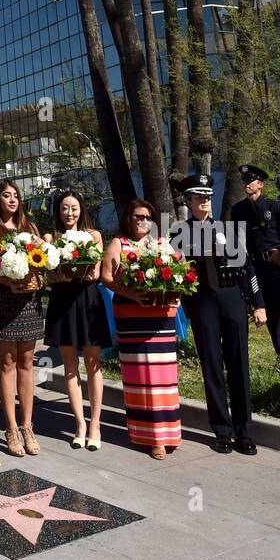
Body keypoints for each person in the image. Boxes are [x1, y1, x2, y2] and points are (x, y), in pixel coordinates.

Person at [173, 173, 267, 455]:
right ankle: (222, 432)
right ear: (189, 201)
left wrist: (259, 303)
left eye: (208, 197)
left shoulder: (228, 228)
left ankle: (244, 433)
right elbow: (176, 273)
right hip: (203, 304)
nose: (205, 202)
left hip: (232, 301)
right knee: (212, 367)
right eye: (199, 198)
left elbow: (248, 269)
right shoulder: (179, 233)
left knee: (239, 366)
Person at [102, 197, 181, 461]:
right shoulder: (118, 243)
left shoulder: (162, 244)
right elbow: (107, 278)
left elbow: (177, 273)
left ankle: (168, 433)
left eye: (147, 217)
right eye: (138, 216)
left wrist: (174, 292)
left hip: (160, 317)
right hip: (131, 315)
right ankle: (148, 437)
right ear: (128, 218)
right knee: (140, 377)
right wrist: (132, 294)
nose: (142, 221)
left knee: (163, 376)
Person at [0, 180, 44, 457]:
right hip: (0, 299)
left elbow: (42, 261)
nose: (13, 200)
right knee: (7, 362)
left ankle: (28, 427)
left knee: (27, 361)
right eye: (7, 195)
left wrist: (37, 280)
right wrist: (8, 283)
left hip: (28, 301)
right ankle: (11, 428)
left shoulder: (30, 227)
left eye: (16, 195)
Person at [42, 189, 110, 451]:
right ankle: (80, 424)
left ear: (82, 210)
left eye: (74, 208)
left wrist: (74, 272)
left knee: (93, 364)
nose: (69, 213)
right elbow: (49, 276)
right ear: (58, 211)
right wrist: (61, 276)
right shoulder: (50, 237)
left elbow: (94, 273)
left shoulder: (93, 236)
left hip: (88, 302)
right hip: (62, 303)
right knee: (70, 366)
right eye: (64, 208)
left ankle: (95, 424)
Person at [231, 164, 280, 360]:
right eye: (244, 181)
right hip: (258, 267)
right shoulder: (238, 210)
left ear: (260, 184)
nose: (246, 184)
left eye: (250, 181)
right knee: (271, 312)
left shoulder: (275, 207)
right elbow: (236, 241)